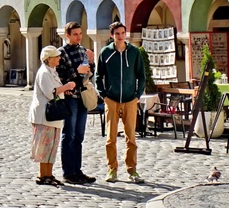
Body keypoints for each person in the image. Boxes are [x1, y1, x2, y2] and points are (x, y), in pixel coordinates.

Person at [96, 22, 146, 183]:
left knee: (131, 137)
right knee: (111, 137)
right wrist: (103, 95)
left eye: (122, 33)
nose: (120, 36)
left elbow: (141, 75)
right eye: (117, 33)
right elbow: (98, 76)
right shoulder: (105, 52)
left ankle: (132, 170)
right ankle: (112, 169)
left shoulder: (134, 52)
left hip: (130, 99)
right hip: (111, 99)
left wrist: (137, 95)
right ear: (112, 35)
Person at [54, 21, 96, 185]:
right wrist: (76, 72)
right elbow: (59, 77)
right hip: (70, 98)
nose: (79, 37)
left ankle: (77, 170)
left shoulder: (83, 50)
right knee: (69, 135)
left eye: (80, 34)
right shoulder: (61, 53)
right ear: (67, 35)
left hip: (82, 97)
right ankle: (68, 172)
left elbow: (89, 76)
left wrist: (91, 64)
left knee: (79, 136)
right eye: (75, 34)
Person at [31, 45, 77, 187]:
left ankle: (49, 174)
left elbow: (56, 90)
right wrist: (67, 87)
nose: (59, 58)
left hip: (53, 116)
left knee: (52, 146)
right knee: (44, 147)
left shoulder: (52, 71)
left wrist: (64, 91)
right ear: (49, 59)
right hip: (44, 116)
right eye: (56, 56)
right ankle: (42, 175)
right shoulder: (44, 72)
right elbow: (50, 92)